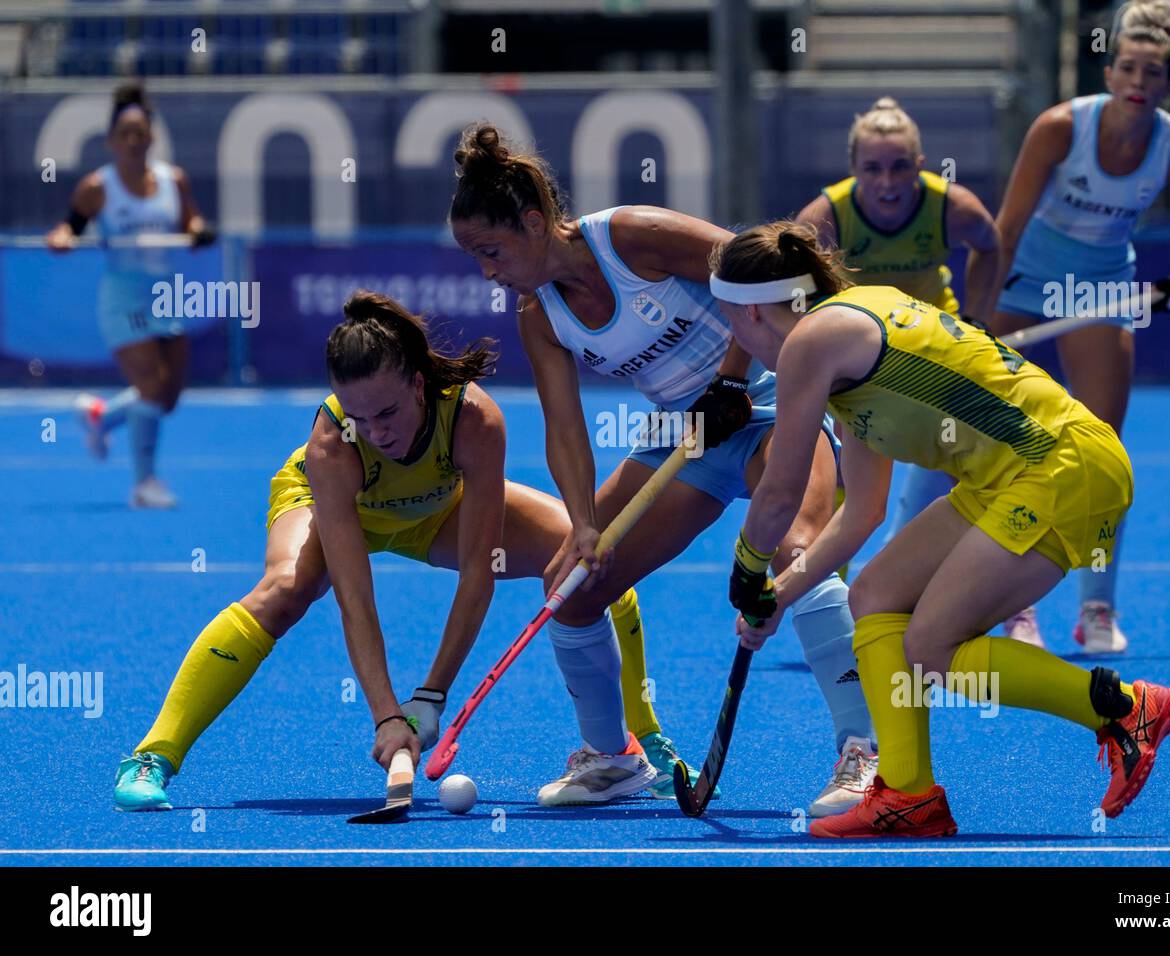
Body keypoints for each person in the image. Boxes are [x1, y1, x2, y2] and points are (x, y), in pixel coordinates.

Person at [450, 123, 877, 815]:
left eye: (491, 251)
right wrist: (585, 524)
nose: (487, 271)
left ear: (533, 223)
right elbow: (565, 430)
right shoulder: (540, 315)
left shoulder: (630, 236)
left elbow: (757, 273)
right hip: (690, 435)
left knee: (800, 553)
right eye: (476, 258)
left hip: (781, 400)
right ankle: (613, 759)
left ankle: (863, 751)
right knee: (575, 582)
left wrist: (734, 381)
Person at [712, 221, 1170, 837]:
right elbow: (862, 515)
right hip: (1005, 478)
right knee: (874, 596)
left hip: (1063, 466)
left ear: (751, 314)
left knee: (930, 647)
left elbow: (778, 492)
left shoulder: (811, 342)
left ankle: (1125, 708)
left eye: (730, 324)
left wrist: (746, 568)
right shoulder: (845, 342)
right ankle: (908, 795)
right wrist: (776, 597)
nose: (737, 345)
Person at [113, 291, 663, 809]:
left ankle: (639, 744)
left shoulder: (474, 419)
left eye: (388, 413)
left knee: (587, 562)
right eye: (360, 418)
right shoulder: (332, 446)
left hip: (437, 508)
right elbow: (356, 599)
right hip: (338, 504)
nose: (375, 432)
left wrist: (431, 696)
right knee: (284, 591)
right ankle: (151, 758)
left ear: (419, 386)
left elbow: (479, 573)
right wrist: (385, 718)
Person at [987, 0, 1170, 652]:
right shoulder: (1057, 129)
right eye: (1128, 67)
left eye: (1153, 72)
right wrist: (978, 315)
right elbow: (1007, 230)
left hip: (1102, 288)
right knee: (993, 440)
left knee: (1100, 454)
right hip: (1024, 277)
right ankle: (1011, 609)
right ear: (1109, 74)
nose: (1139, 81)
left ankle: (1097, 609)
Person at [794, 97, 1044, 645]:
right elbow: (796, 288)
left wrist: (980, 318)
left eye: (901, 167)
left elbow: (990, 243)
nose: (887, 182)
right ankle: (830, 602)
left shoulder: (950, 206)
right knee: (849, 479)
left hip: (943, 355)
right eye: (873, 169)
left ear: (921, 164)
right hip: (865, 364)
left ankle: (1017, 611)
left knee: (983, 468)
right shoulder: (825, 219)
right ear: (853, 169)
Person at [46, 81, 215, 509]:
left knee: (168, 396)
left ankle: (100, 417)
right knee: (150, 386)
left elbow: (193, 221)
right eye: (125, 133)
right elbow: (70, 226)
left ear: (152, 137)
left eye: (141, 132)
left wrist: (198, 232)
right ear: (111, 141)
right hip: (123, 299)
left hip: (165, 297)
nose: (134, 140)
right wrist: (62, 237)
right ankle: (144, 484)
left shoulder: (173, 180)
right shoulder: (96, 187)